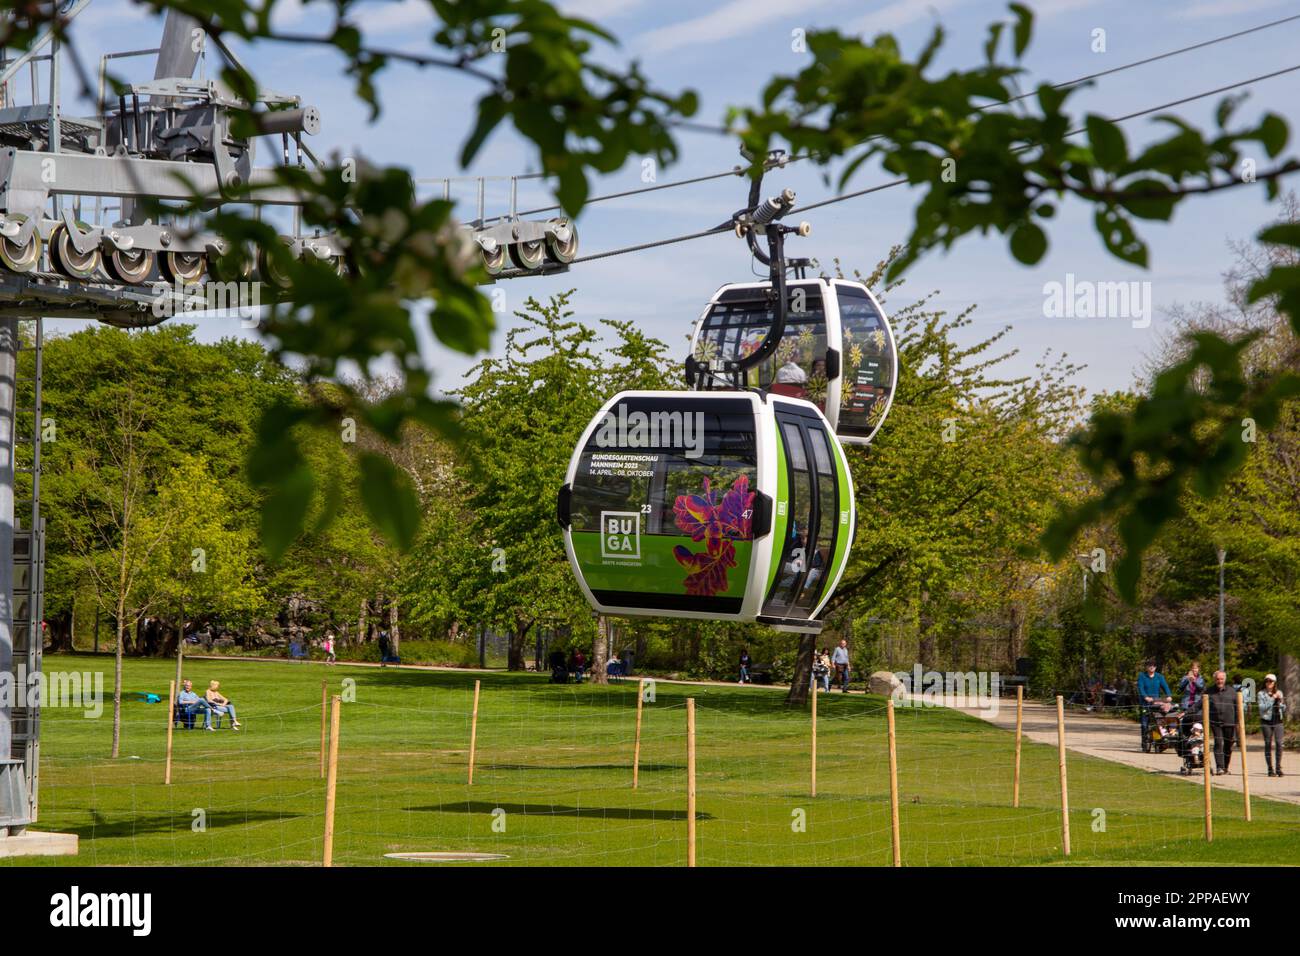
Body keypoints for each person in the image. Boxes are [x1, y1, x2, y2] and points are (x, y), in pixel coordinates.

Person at [1206, 670, 1236, 774]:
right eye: (1218, 679)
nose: (1220, 681)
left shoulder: (1232, 691)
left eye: (1222, 679)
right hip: (1215, 722)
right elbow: (1200, 704)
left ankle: (1225, 767)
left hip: (1229, 722)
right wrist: (1188, 712)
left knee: (1228, 745)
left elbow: (1238, 708)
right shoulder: (1209, 691)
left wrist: (1238, 722)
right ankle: (1219, 767)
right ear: (1215, 680)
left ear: (1225, 679)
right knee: (1218, 743)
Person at [1137, 660, 1176, 740]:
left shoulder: (1159, 676)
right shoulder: (1142, 676)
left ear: (1156, 667)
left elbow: (1165, 687)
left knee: (1159, 719)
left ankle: (1160, 738)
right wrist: (1145, 697)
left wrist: (1169, 695)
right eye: (1150, 665)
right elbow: (1140, 688)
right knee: (1144, 724)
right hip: (1145, 703)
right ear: (1146, 667)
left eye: (1154, 665)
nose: (1152, 667)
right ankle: (1144, 742)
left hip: (1156, 702)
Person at [1259, 673, 1286, 777]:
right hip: (1266, 721)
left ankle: (1278, 767)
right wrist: (1272, 698)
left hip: (1278, 721)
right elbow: (1262, 708)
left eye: (1271, 681)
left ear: (1274, 683)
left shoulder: (1279, 692)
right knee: (1268, 744)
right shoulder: (1261, 693)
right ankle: (1270, 769)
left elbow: (1284, 708)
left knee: (1279, 743)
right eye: (1267, 681)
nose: (1268, 683)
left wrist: (1281, 702)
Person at [1177, 661, 1204, 734]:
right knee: (1186, 723)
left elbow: (1201, 688)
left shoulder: (1200, 679)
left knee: (1196, 724)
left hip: (1196, 705)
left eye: (1196, 668)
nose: (1194, 670)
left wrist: (1194, 681)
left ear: (1198, 669)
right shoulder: (1185, 678)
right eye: (1193, 668)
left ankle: (1196, 739)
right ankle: (1186, 739)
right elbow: (1180, 689)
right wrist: (1187, 679)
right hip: (1186, 704)